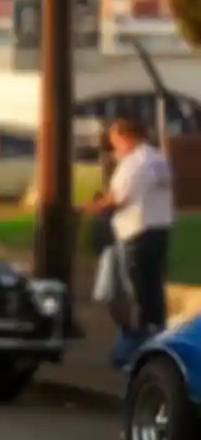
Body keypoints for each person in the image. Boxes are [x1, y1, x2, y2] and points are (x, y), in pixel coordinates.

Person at [85, 115, 175, 369]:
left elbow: (119, 198)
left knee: (132, 290)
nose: (114, 147)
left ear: (126, 137)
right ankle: (157, 331)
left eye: (114, 141)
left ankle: (136, 341)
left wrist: (93, 206)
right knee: (153, 285)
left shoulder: (133, 163)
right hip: (159, 228)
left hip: (135, 232)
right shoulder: (158, 158)